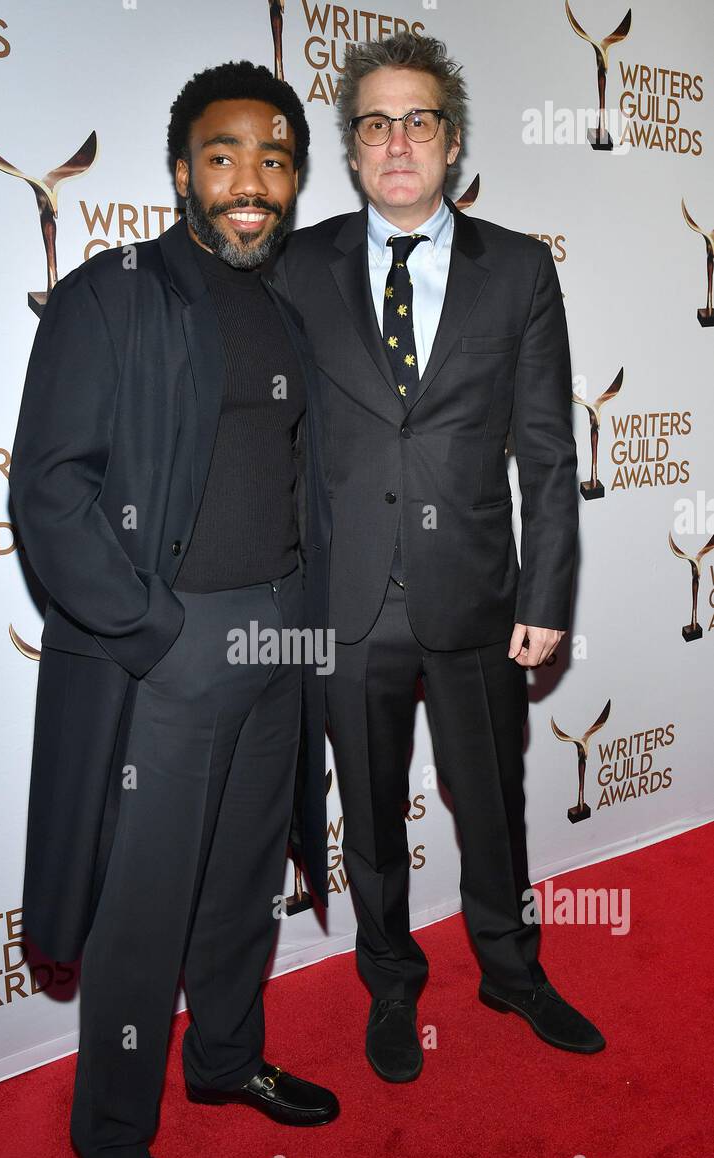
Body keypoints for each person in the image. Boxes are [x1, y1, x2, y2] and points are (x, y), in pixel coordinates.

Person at [9, 60, 336, 1158]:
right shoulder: (112, 297)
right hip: (175, 653)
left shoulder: (288, 308)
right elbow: (49, 492)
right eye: (223, 154)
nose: (250, 182)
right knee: (142, 916)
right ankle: (115, 1139)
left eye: (274, 158)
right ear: (182, 170)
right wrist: (156, 632)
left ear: (295, 176)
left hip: (280, 634)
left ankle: (227, 1061)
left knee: (245, 876)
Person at [270, 32, 605, 1083]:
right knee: (367, 817)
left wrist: (548, 592)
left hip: (476, 596)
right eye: (374, 123)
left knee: (489, 803)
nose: (397, 140)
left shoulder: (517, 269)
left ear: (450, 141)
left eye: (417, 120)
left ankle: (508, 965)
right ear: (353, 147)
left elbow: (549, 449)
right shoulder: (296, 267)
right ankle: (391, 980)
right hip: (347, 601)